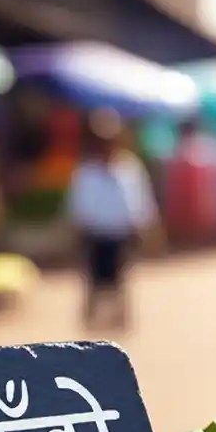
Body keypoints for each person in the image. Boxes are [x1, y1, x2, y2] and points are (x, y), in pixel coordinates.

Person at [68, 121, 157, 329]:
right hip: (95, 233)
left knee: (121, 279)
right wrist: (75, 230)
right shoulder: (86, 171)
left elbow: (141, 200)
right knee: (93, 280)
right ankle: (89, 324)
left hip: (121, 233)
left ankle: (121, 321)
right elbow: (77, 203)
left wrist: (147, 228)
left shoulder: (129, 168)